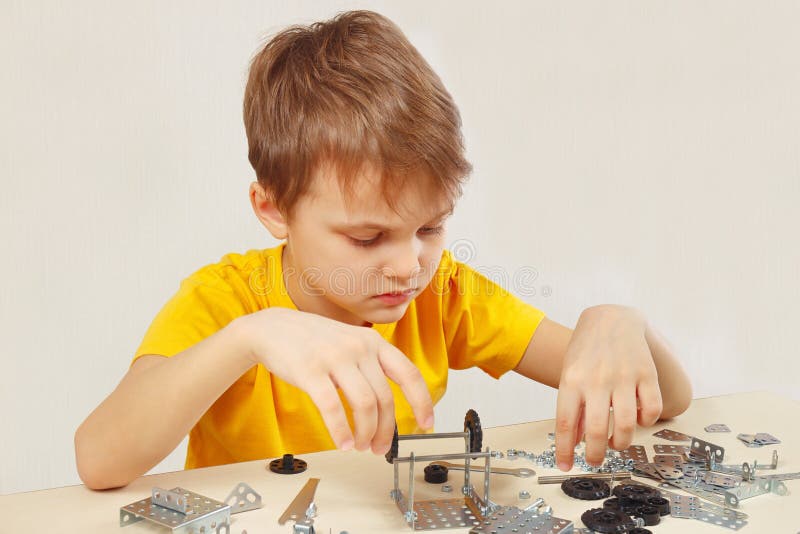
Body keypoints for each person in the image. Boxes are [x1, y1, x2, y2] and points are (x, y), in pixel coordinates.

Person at [74, 10, 692, 490]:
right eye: (367, 238)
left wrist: (617, 324)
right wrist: (251, 338)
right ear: (273, 209)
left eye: (430, 228)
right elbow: (99, 459)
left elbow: (670, 399)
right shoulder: (224, 302)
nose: (408, 265)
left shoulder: (444, 293)